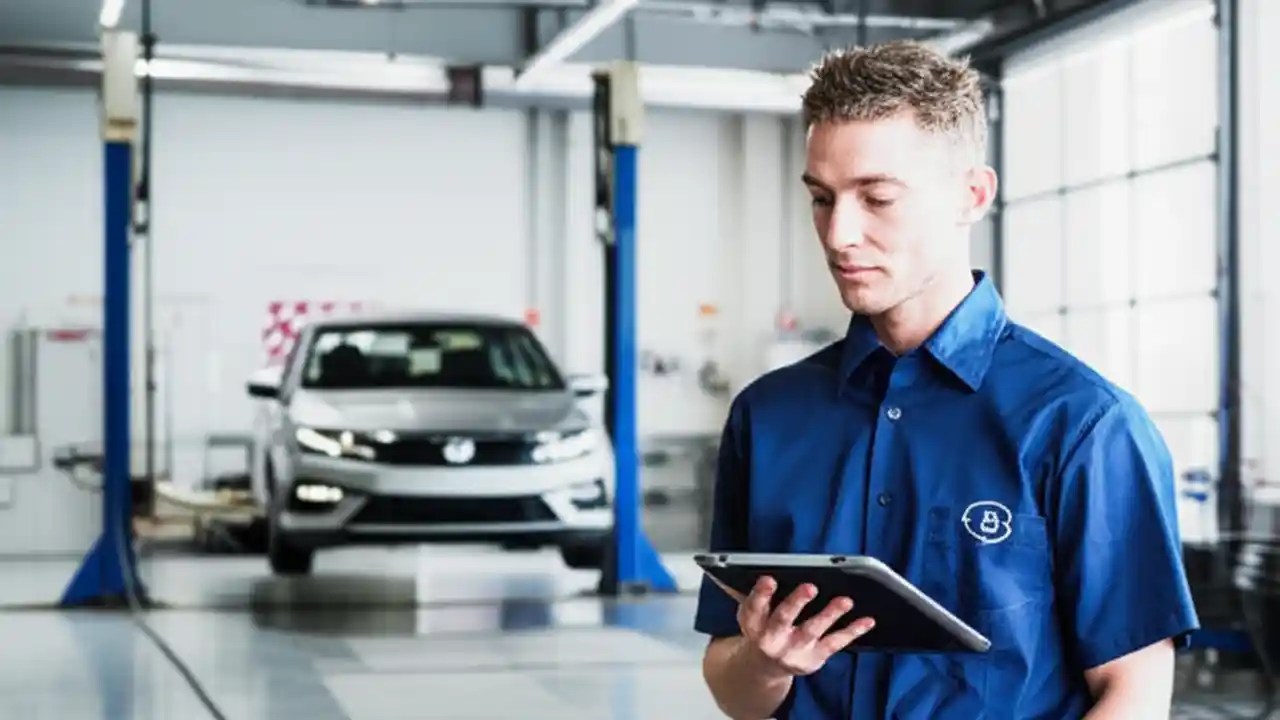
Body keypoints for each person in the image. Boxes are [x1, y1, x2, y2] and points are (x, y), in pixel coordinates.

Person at [694, 40, 1200, 720]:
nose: (840, 234)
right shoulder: (768, 418)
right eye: (822, 199)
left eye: (877, 198)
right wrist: (765, 662)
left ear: (972, 195)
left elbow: (1133, 693)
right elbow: (734, 689)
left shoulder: (1082, 427)